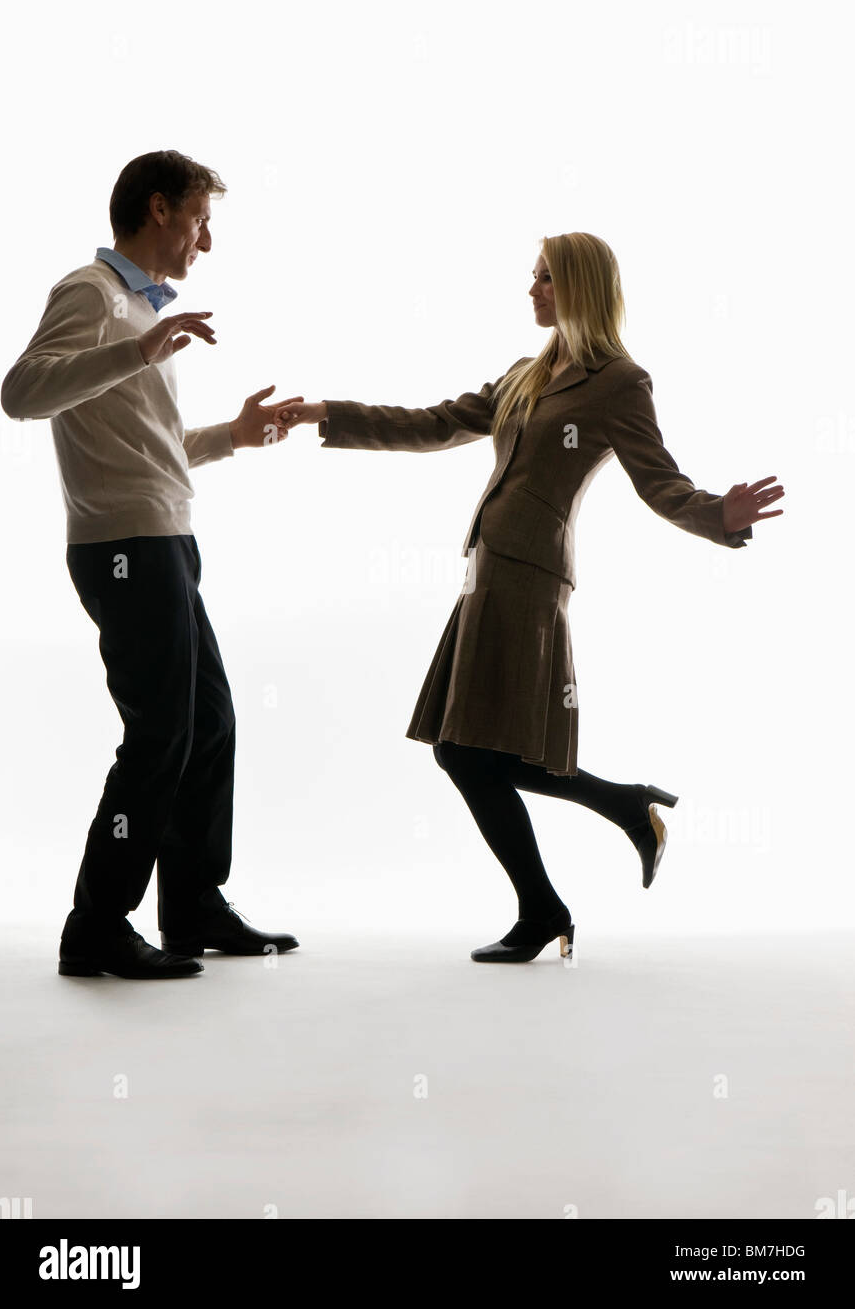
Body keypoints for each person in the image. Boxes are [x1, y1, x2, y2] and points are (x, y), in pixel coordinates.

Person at [278, 231, 784, 963]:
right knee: (476, 749)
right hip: (487, 570)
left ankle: (555, 894)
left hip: (530, 577)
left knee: (464, 749)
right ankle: (610, 822)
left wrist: (716, 515)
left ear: (579, 286)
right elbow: (432, 422)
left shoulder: (619, 382)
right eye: (533, 277)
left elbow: (658, 481)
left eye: (545, 278)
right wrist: (327, 413)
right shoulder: (527, 374)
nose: (532, 290)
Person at [1, 149, 302, 980]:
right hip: (123, 547)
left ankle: (193, 905)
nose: (206, 242)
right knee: (161, 731)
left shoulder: (137, 309)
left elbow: (149, 449)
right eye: (201, 220)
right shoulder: (92, 294)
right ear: (160, 208)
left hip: (164, 536)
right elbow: (21, 392)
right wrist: (136, 354)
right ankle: (95, 926)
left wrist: (230, 440)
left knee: (210, 721)